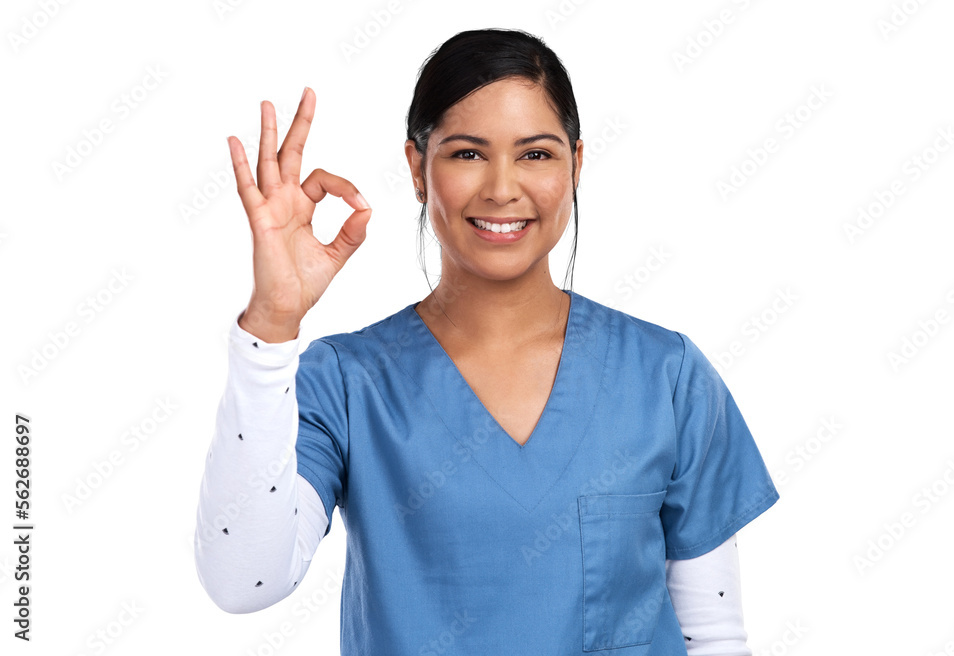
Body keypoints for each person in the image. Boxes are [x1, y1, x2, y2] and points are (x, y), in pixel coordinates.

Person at [193, 28, 779, 656]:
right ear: (418, 169)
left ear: (576, 166)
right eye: (468, 154)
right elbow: (242, 580)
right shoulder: (346, 381)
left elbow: (712, 636)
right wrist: (271, 324)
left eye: (536, 154)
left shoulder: (668, 378)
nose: (502, 188)